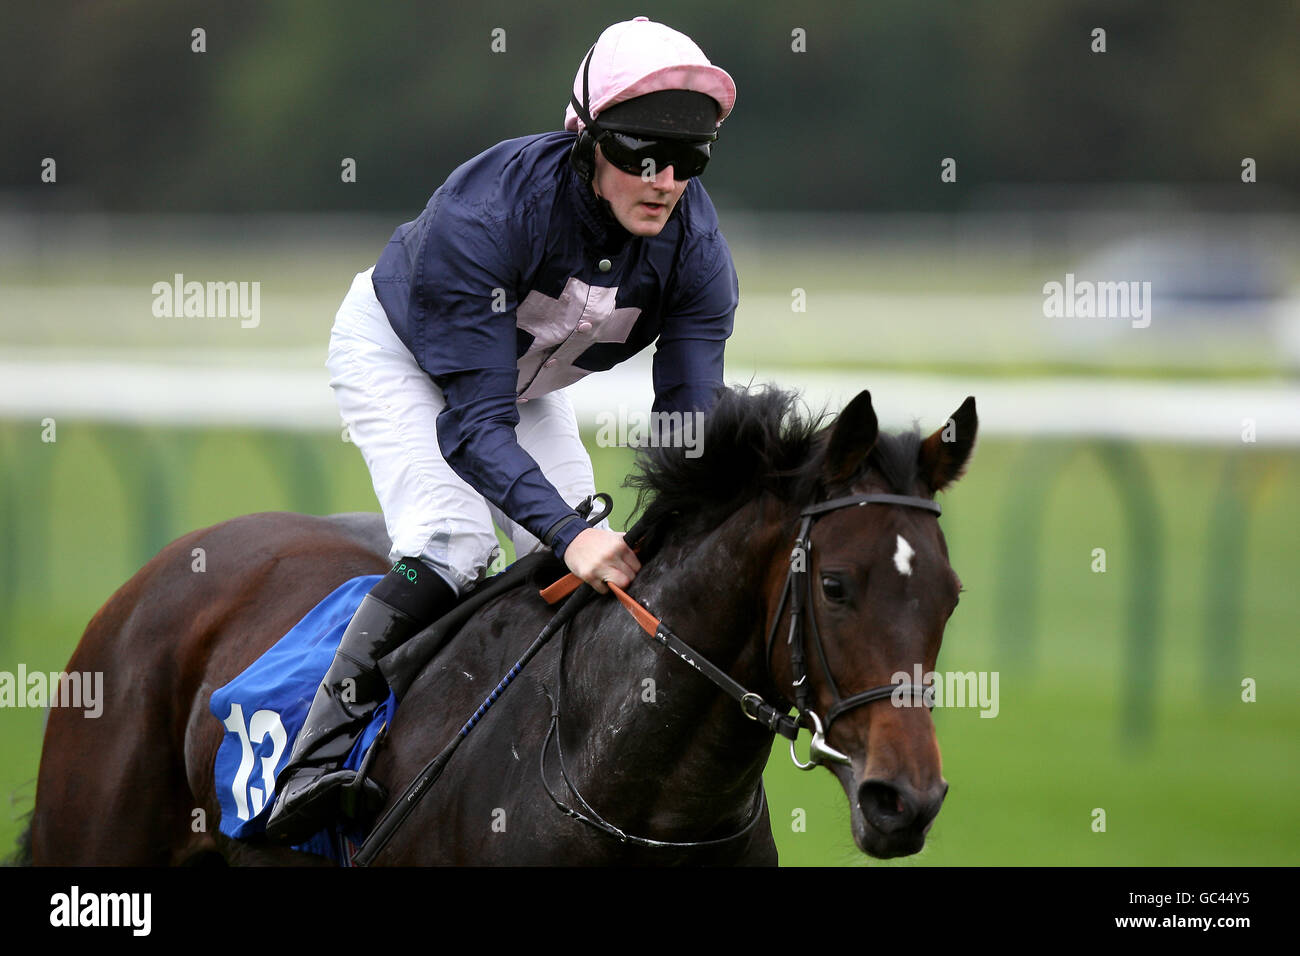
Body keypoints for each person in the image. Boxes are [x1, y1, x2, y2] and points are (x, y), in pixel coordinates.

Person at [264, 16, 739, 845]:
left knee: (599, 569)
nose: (664, 180)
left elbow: (687, 433)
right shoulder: (489, 215)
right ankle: (316, 751)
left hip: (523, 378)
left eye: (688, 160)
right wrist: (566, 532)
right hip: (403, 352)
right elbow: (474, 426)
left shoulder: (697, 250)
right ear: (586, 140)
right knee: (455, 543)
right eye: (641, 154)